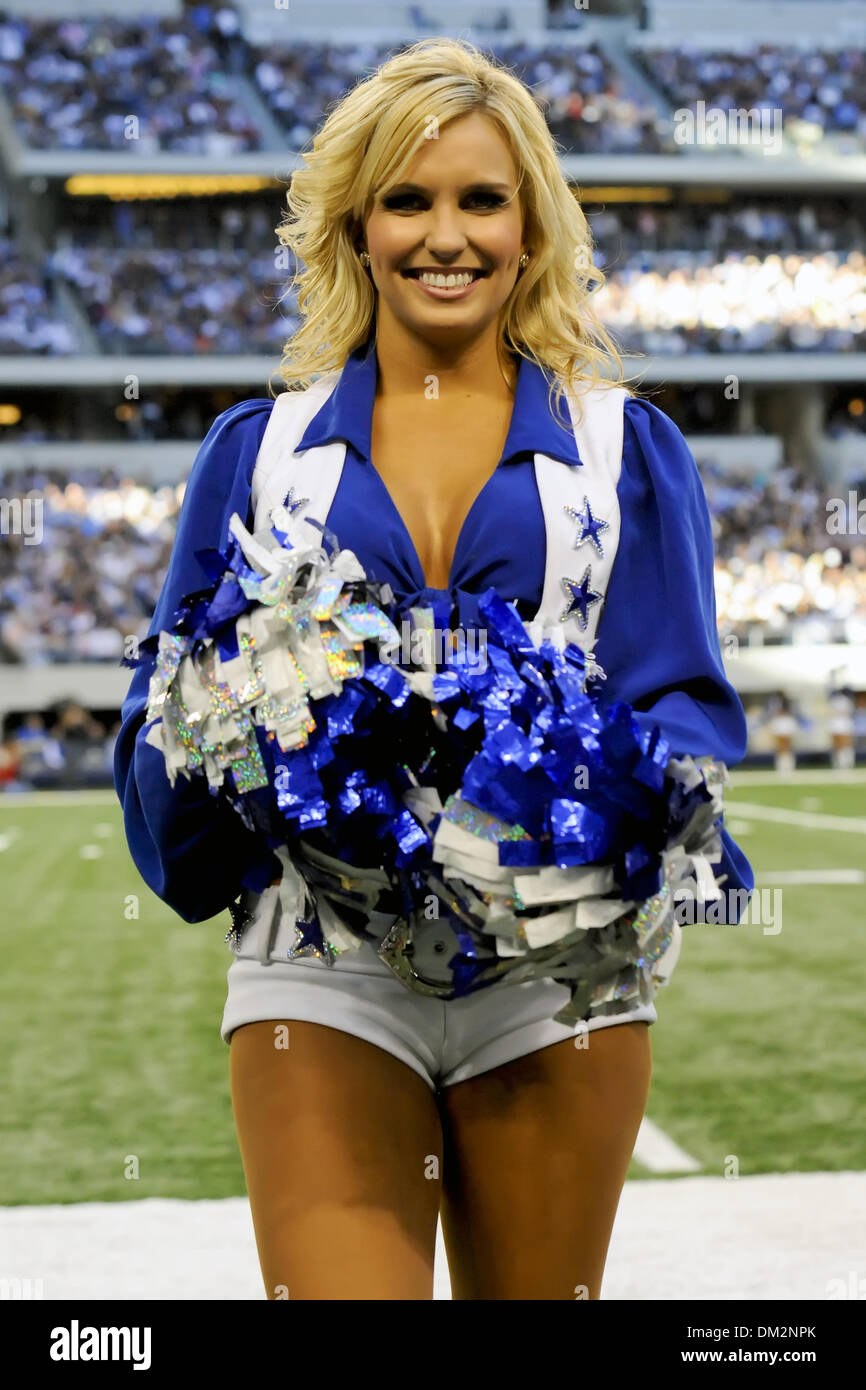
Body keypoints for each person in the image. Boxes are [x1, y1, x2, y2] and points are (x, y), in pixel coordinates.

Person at [113, 38, 752, 1300]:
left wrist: (588, 795)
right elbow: (171, 704)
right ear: (356, 228)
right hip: (320, 960)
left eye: (480, 199)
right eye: (406, 199)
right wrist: (245, 734)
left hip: (558, 976)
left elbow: (681, 700)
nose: (443, 234)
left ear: (529, 227)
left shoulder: (623, 446)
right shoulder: (259, 448)